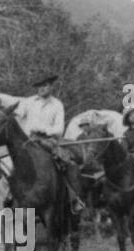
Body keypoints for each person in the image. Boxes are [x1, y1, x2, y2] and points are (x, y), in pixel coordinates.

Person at [14, 74, 83, 214]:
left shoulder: (57, 105)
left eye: (44, 85)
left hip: (49, 140)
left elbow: (59, 129)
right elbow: (17, 117)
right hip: (28, 141)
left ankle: (74, 198)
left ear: (51, 87)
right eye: (39, 86)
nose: (41, 89)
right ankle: (11, 197)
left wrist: (43, 130)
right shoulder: (28, 102)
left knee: (66, 163)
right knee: (12, 165)